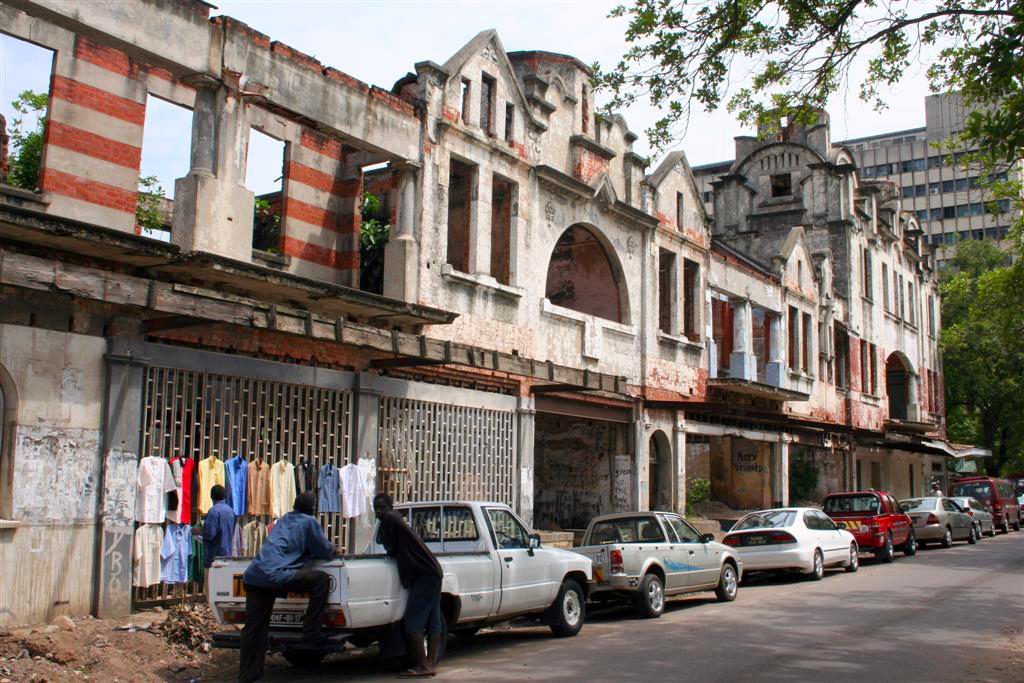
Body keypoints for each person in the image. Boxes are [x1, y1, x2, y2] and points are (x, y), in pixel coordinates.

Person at [239, 492, 334, 683]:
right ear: (312, 509)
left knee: (254, 629)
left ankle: (248, 677)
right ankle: (311, 633)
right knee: (321, 580)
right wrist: (332, 548)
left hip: (254, 576)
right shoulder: (309, 522)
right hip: (277, 576)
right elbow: (324, 550)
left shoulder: (283, 519)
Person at [373, 492, 444, 678]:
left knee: (413, 622)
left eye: (381, 507)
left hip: (424, 575)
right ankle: (431, 662)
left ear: (389, 506)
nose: (378, 512)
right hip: (433, 571)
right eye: (376, 508)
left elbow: (389, 546)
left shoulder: (389, 518)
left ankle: (422, 665)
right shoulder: (397, 517)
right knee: (433, 620)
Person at [202, 485, 235, 573]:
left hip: (213, 559)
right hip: (227, 555)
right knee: (224, 585)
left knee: (212, 586)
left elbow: (209, 534)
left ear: (212, 497)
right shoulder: (230, 511)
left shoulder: (213, 511)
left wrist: (198, 531)